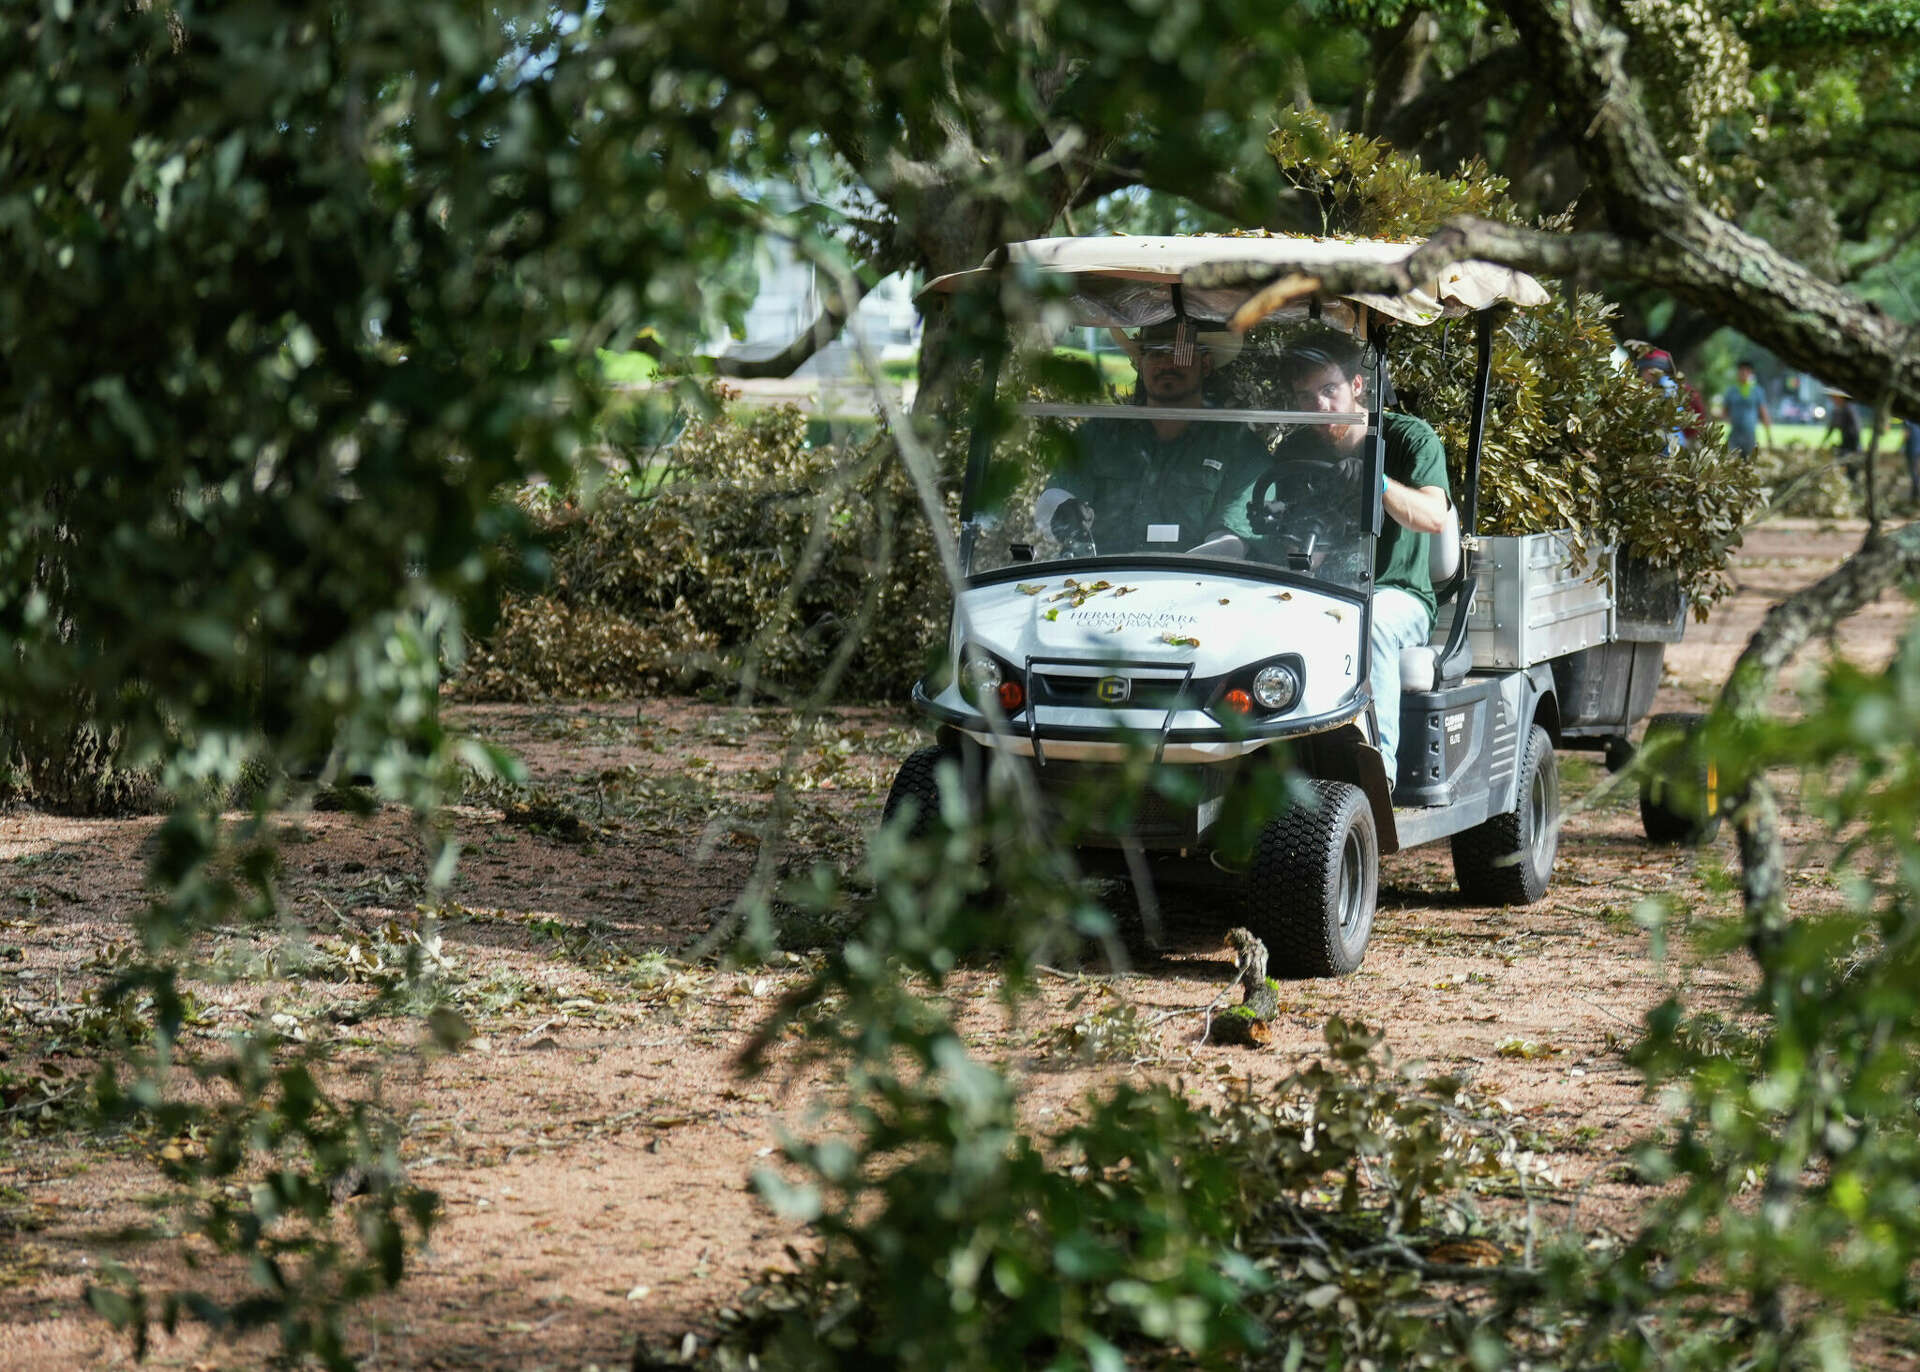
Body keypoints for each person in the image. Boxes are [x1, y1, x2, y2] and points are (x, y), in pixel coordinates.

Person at [1266, 326, 1451, 786]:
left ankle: (1378, 775)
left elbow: (1433, 516)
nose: (1319, 406)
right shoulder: (1297, 449)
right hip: (1324, 589)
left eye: (1329, 390)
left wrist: (1378, 481)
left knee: (1372, 622)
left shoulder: (1409, 438)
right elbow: (1297, 545)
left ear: (1356, 385)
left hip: (1396, 593)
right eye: (1306, 396)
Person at [1036, 317, 1268, 555]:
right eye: (1155, 353)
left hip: (1195, 578)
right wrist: (1065, 513)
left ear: (1206, 364)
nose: (1166, 363)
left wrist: (1173, 575)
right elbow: (1053, 498)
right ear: (1140, 362)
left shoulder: (1239, 447)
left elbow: (1231, 542)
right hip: (1101, 575)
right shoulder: (1099, 434)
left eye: (1180, 353)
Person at [1719, 359, 1774, 457]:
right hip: (1734, 435)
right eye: (1741, 370)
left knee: (1749, 462)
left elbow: (1764, 413)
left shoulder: (1757, 391)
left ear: (1751, 373)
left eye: (1747, 370)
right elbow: (1724, 412)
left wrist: (1769, 436)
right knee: (1730, 460)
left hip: (1750, 435)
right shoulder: (1731, 391)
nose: (1744, 373)